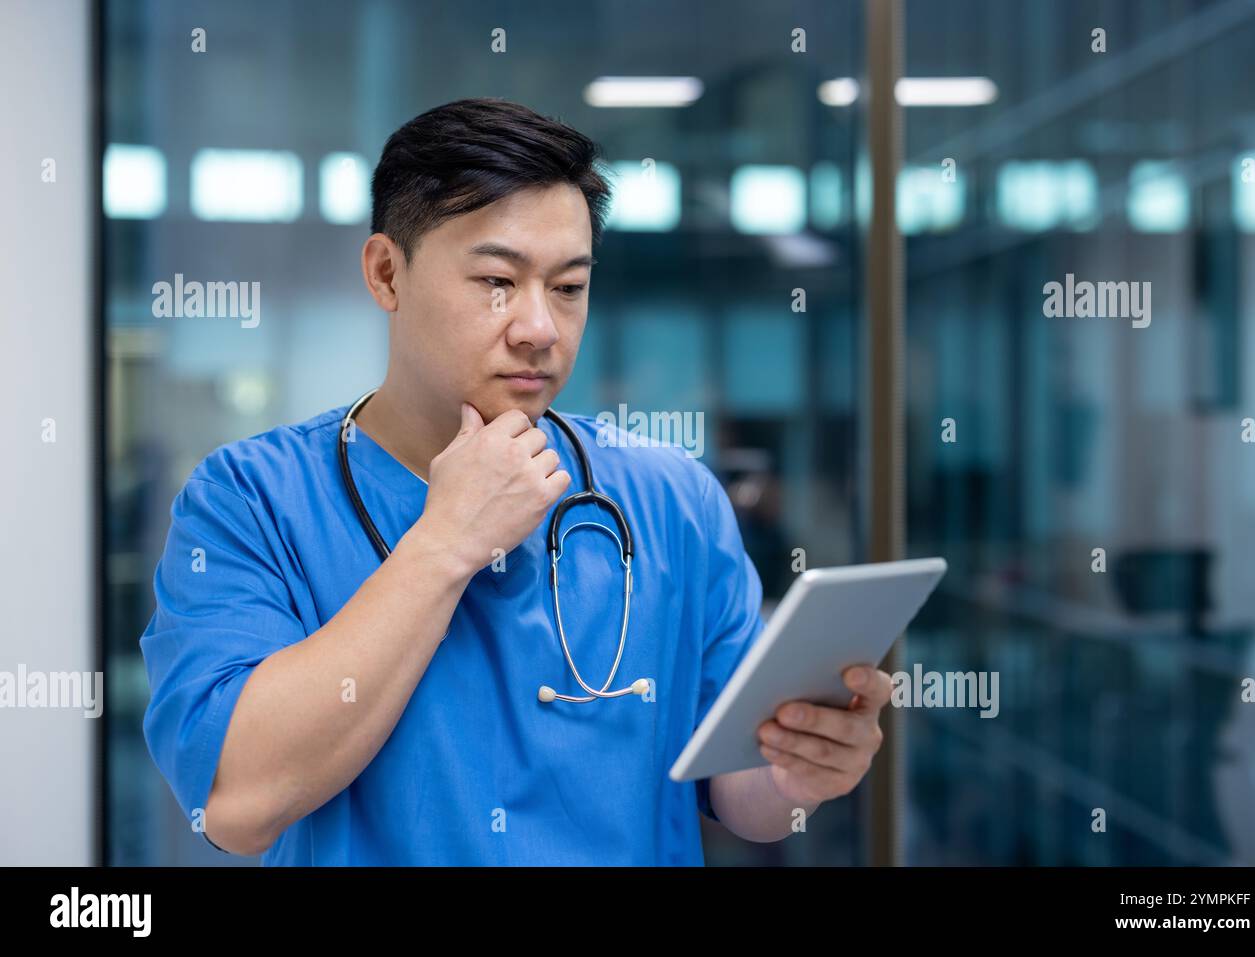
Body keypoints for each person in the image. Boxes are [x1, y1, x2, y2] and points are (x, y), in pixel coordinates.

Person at [139, 97, 892, 865]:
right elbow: (234, 801)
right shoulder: (251, 500)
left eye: (568, 287)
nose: (539, 328)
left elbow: (740, 792)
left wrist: (800, 767)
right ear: (386, 272)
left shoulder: (672, 500)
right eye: (499, 281)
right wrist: (445, 542)